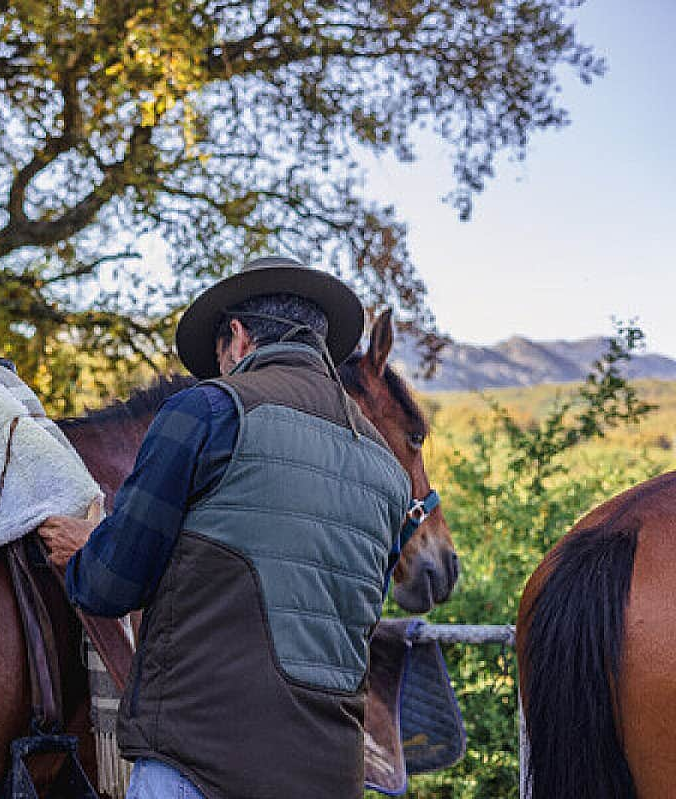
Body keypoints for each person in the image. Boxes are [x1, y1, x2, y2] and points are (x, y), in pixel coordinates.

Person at [39, 257, 412, 799]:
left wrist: (87, 549)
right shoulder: (386, 470)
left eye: (218, 357)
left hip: (201, 762)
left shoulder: (208, 410)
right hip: (331, 776)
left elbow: (110, 585)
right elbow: (344, 614)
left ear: (237, 339)